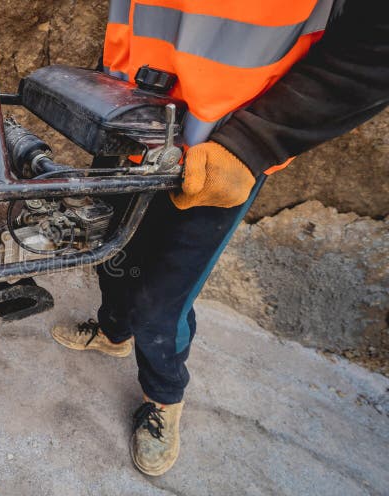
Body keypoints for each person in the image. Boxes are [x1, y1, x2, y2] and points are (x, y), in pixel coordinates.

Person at [51, 0, 388, 476]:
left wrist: (256, 141)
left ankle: (163, 400)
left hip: (218, 150)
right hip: (126, 118)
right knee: (113, 258)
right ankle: (112, 333)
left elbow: (377, 43)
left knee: (161, 304)